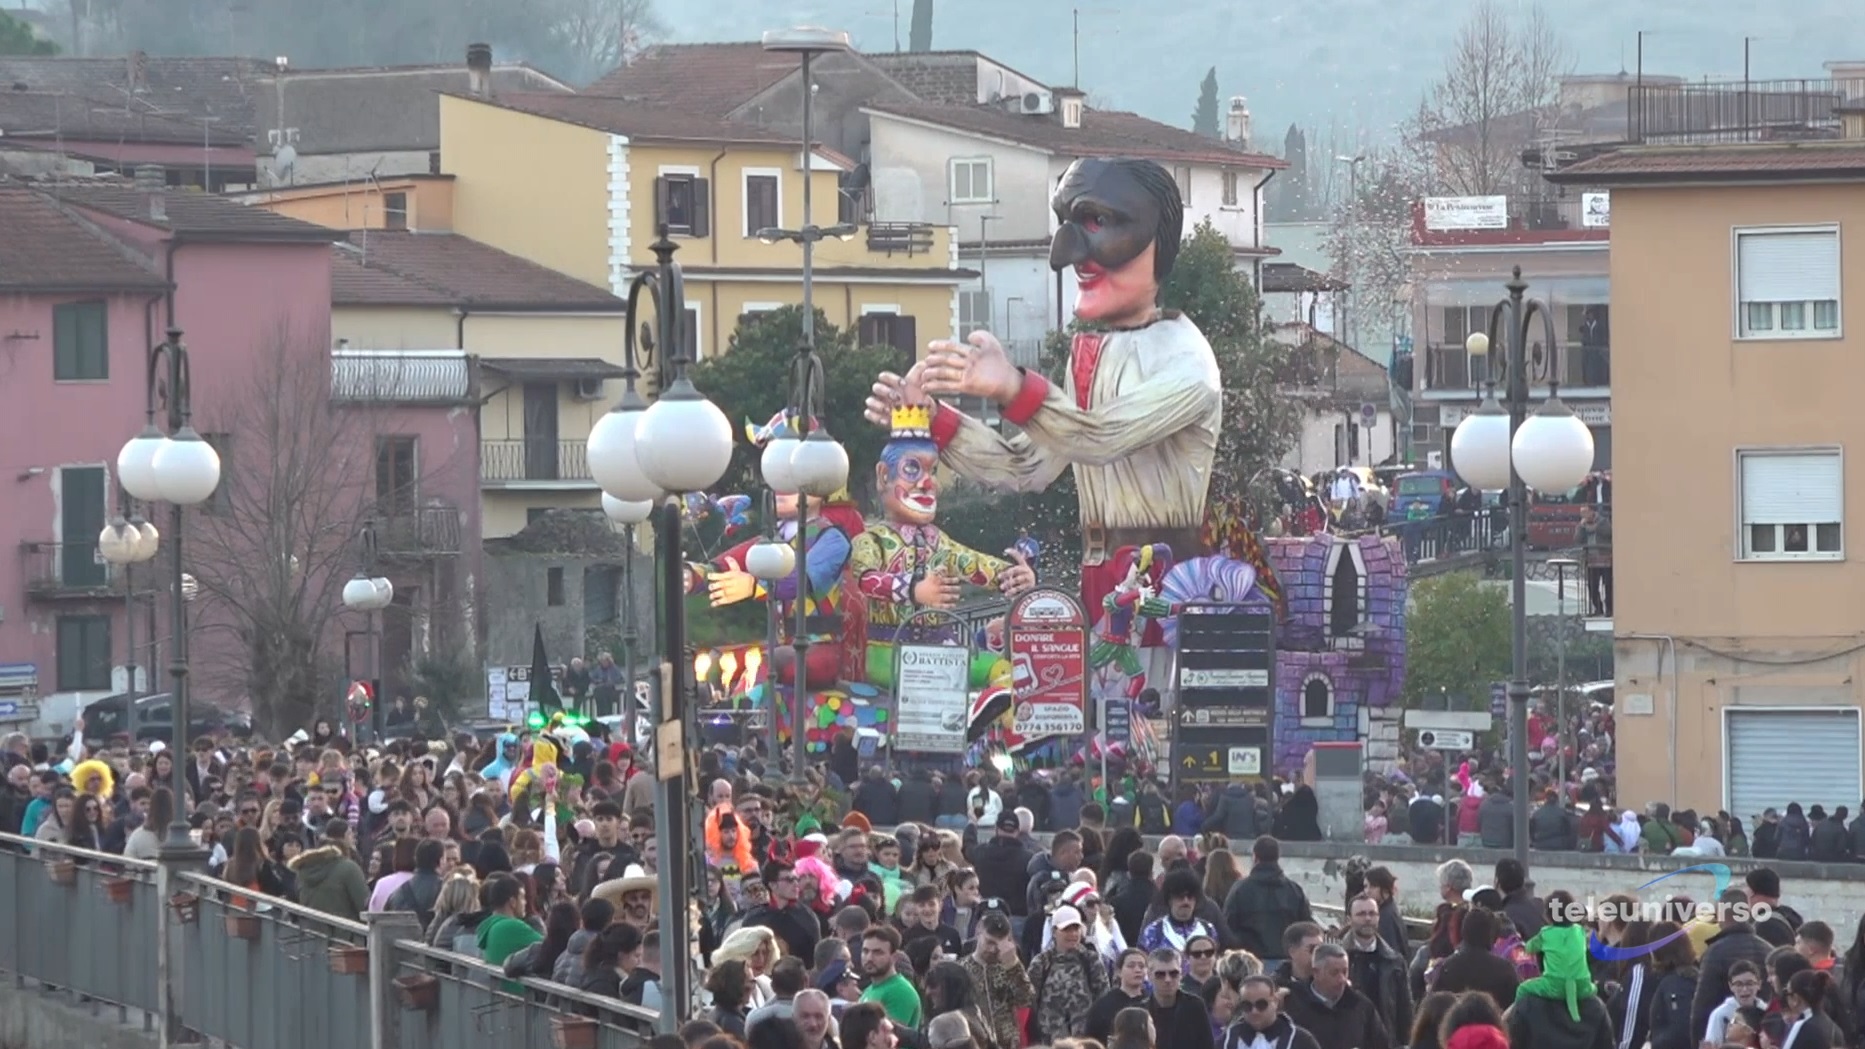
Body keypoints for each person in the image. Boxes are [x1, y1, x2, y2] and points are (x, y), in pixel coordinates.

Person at [868, 157, 1222, 665]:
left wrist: (1014, 388)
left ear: (1153, 238)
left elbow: (1099, 438)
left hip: (1162, 587)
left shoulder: (1189, 361)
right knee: (1096, 705)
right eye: (1066, 223)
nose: (1069, 254)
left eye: (1095, 222)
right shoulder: (1094, 353)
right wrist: (931, 419)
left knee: (1149, 701)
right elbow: (1024, 467)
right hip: (1099, 585)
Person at [1279, 943, 1392, 1049]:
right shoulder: (1293, 1004)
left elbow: (1382, 1044)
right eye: (1334, 973)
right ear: (1316, 973)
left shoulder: (1361, 1005)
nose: (1342, 979)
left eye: (1345, 972)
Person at [1220, 973, 1322, 1049]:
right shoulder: (1227, 1040)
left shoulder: (1301, 1040)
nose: (1254, 1011)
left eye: (1261, 1004)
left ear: (1275, 1002)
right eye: (1247, 1005)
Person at [1144, 947, 1215, 1049]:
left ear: (1181, 974)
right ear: (1149, 975)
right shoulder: (1140, 1010)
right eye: (1160, 974)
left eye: (1174, 973)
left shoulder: (1195, 1006)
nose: (1167, 979)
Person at [858, 925, 922, 1028]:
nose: (869, 958)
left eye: (878, 952)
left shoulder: (900, 991)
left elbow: (887, 1035)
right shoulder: (870, 989)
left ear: (894, 957)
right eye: (865, 951)